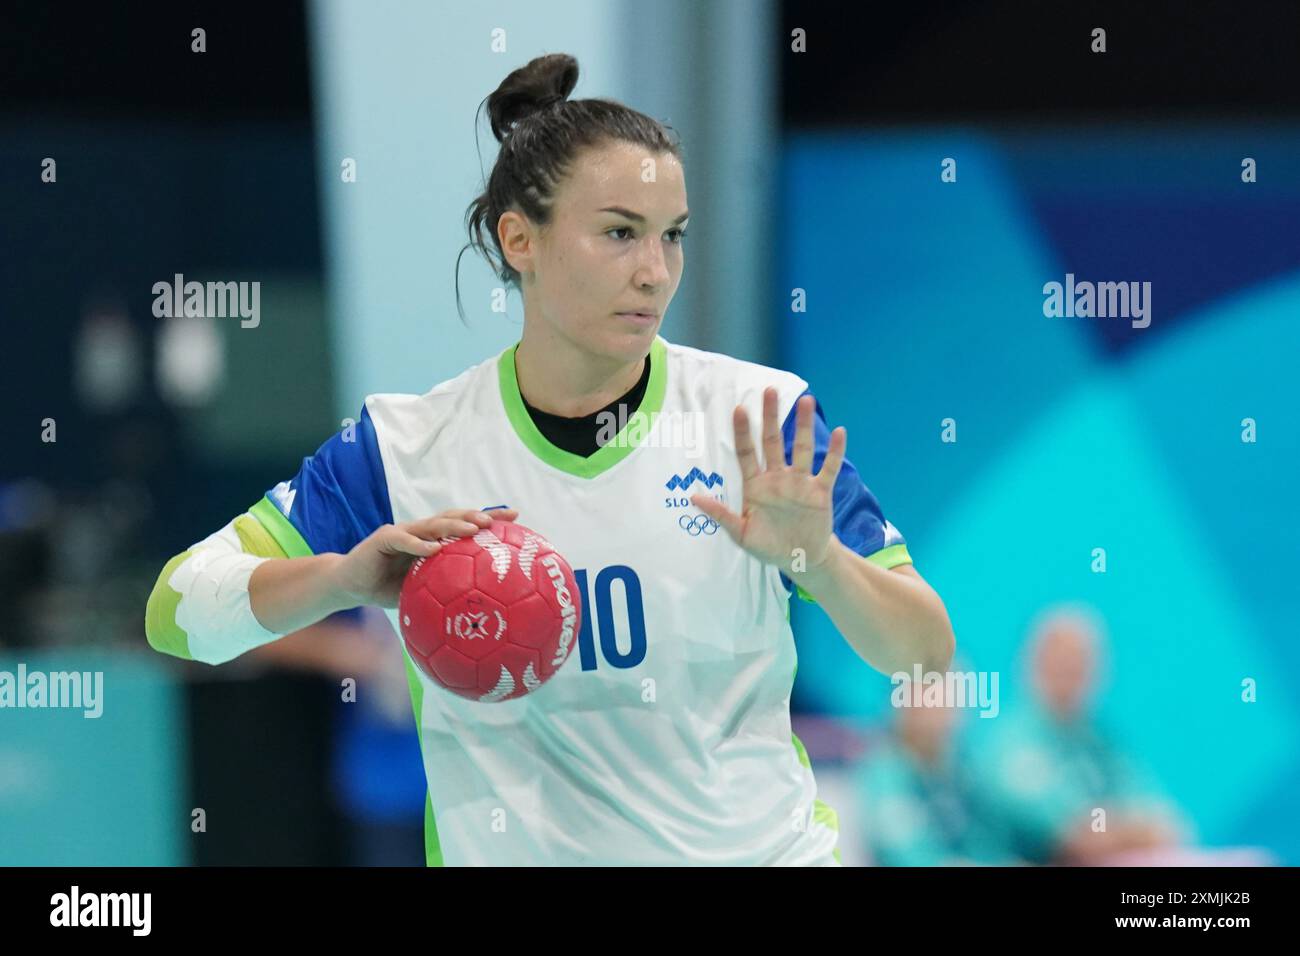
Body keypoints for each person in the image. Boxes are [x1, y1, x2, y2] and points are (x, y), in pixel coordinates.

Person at [143, 52, 954, 866]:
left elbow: (924, 654)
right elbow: (177, 616)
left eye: (672, 236)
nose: (654, 271)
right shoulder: (404, 447)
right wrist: (343, 580)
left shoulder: (760, 419)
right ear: (519, 238)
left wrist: (818, 560)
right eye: (618, 233)